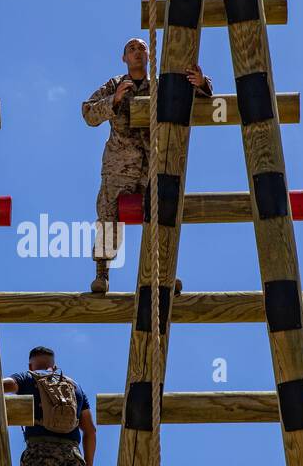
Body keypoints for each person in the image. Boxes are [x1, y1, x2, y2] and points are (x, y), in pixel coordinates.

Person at [81, 36, 213, 293]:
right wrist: (114, 101)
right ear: (124, 58)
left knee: (162, 214)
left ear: (149, 55)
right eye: (131, 49)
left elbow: (197, 96)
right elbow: (88, 113)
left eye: (141, 48)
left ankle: (164, 274)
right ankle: (102, 273)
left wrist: (203, 83)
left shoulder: (161, 84)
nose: (137, 52)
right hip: (119, 166)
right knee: (108, 216)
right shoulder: (115, 84)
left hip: (152, 164)